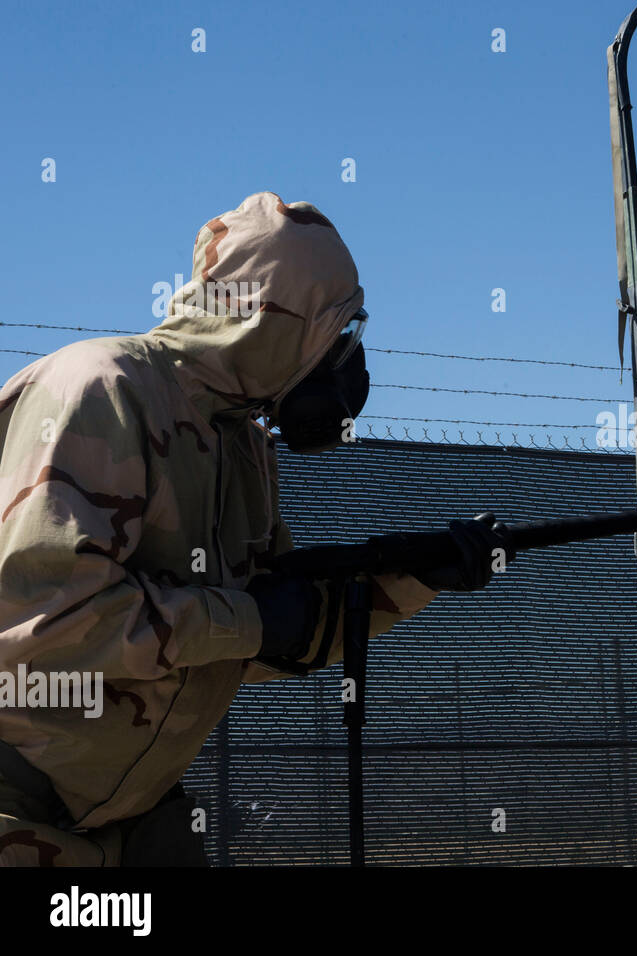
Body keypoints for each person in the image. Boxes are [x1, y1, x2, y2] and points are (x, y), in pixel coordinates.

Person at [0, 191, 508, 865]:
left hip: (134, 812)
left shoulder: (242, 446)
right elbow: (48, 627)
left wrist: (419, 578)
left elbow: (270, 636)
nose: (349, 365)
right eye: (335, 335)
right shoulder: (103, 390)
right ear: (267, 322)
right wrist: (252, 622)